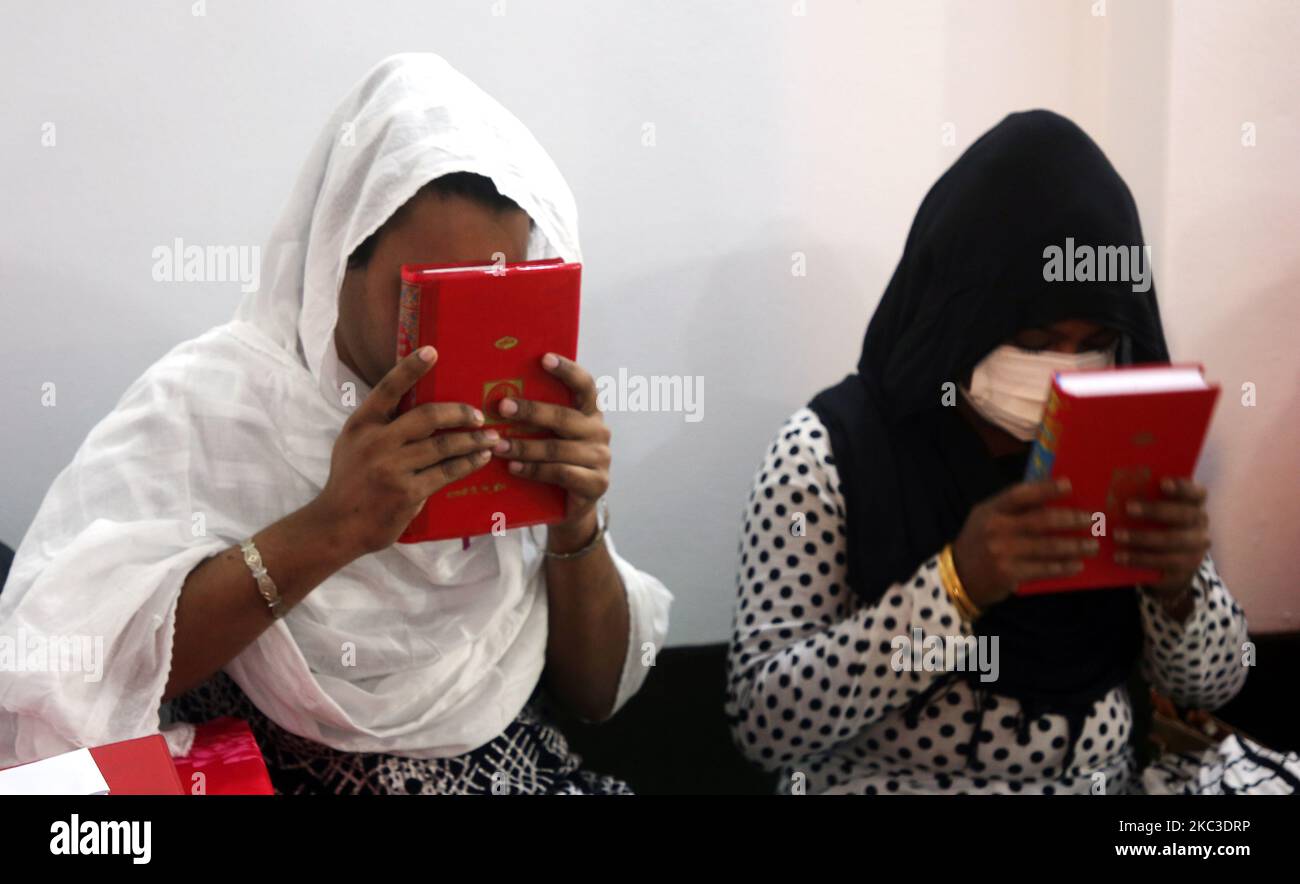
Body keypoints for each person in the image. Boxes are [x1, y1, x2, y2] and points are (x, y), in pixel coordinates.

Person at [0, 53, 671, 794]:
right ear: (335, 262)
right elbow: (71, 670)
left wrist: (574, 521)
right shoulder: (215, 404)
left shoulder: (513, 409)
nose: (446, 341)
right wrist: (330, 530)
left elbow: (598, 694)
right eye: (421, 297)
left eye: (490, 296)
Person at [725, 110, 1249, 795]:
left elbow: (1215, 682)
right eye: (1034, 340)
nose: (1065, 368)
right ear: (959, 316)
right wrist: (955, 586)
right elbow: (763, 723)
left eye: (1093, 341)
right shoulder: (826, 454)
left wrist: (1181, 591)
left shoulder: (1124, 446)